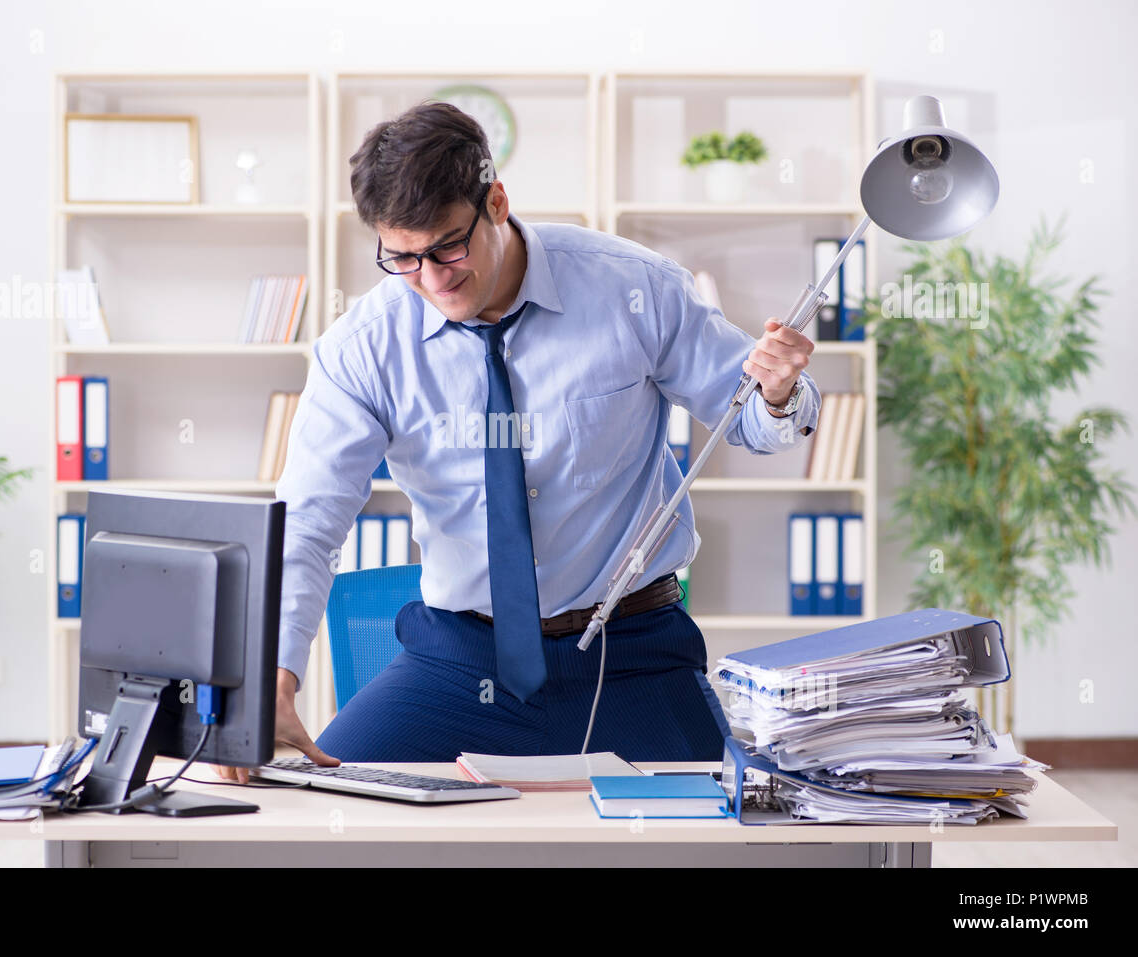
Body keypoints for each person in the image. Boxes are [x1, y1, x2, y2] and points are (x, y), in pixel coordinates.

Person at [214, 101, 818, 782]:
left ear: (496, 202)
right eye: (403, 258)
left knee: (743, 827)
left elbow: (751, 419)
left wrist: (776, 392)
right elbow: (307, 523)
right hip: (458, 665)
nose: (433, 278)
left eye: (447, 245)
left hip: (633, 654)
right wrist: (274, 674)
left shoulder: (633, 289)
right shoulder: (364, 347)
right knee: (325, 803)